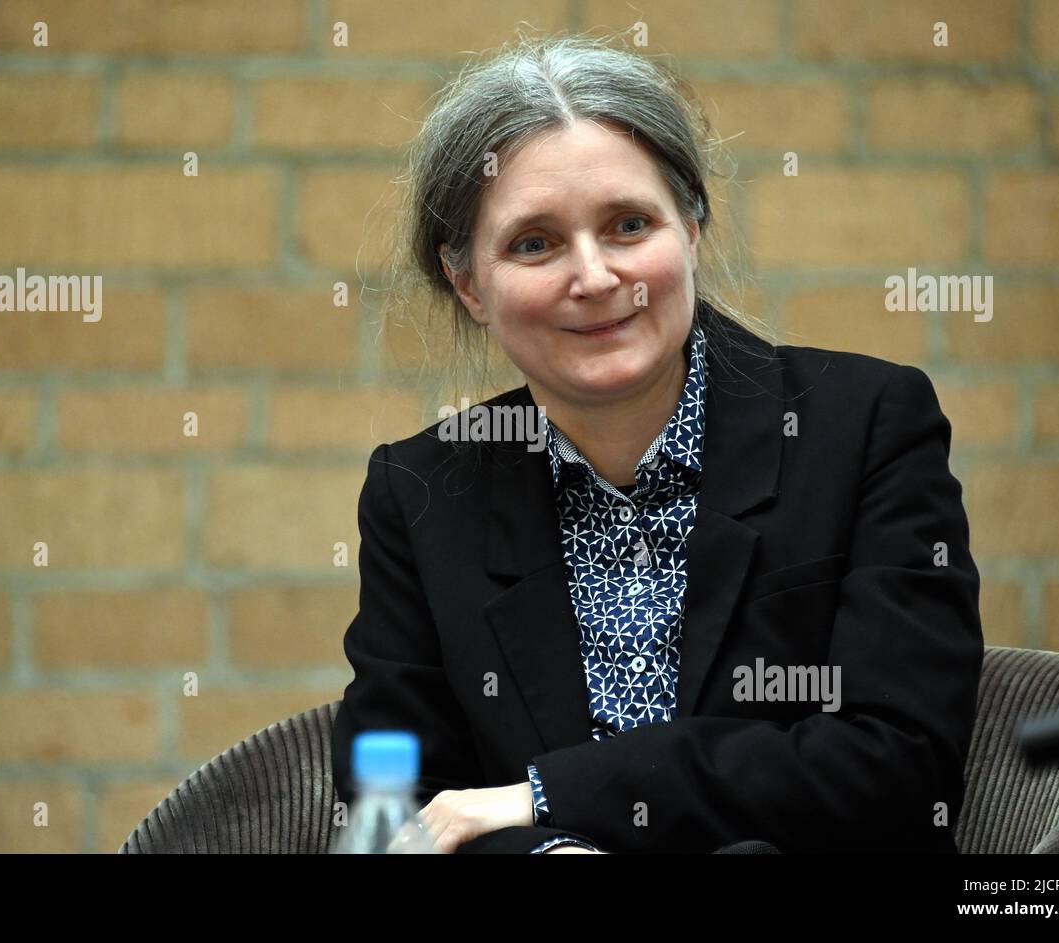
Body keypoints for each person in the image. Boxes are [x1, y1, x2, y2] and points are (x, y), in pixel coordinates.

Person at [329, 33, 984, 854]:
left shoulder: (866, 426)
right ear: (469, 285)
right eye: (534, 242)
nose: (596, 275)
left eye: (629, 224)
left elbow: (899, 766)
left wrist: (551, 794)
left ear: (693, 227)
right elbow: (398, 803)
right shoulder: (422, 489)